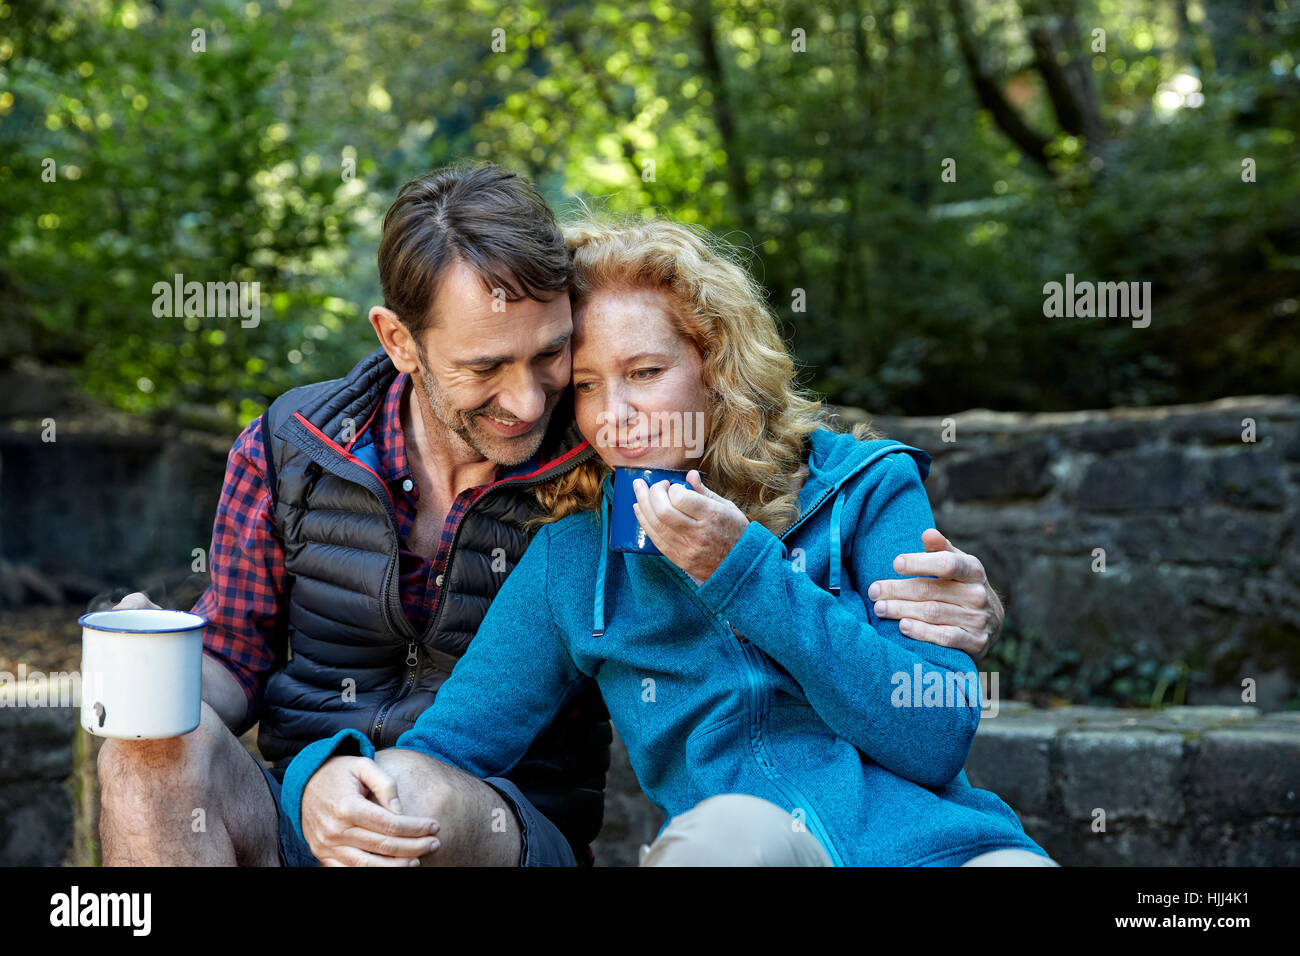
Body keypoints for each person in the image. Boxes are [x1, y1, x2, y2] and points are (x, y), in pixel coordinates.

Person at [99, 163, 1010, 868]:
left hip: (503, 817)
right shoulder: (303, 449)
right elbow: (252, 665)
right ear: (399, 341)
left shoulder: (667, 470)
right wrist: (190, 695)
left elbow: (926, 718)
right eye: (493, 369)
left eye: (553, 364)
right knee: (143, 740)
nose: (538, 407)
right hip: (346, 795)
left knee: (419, 796)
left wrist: (973, 603)